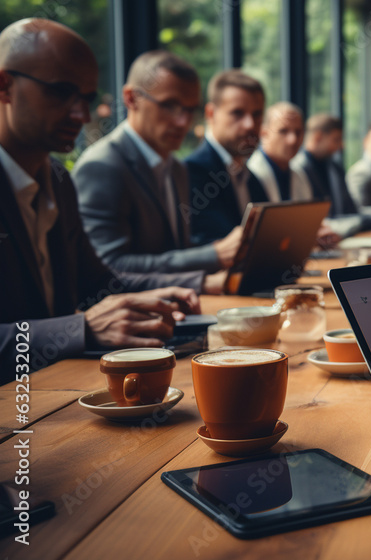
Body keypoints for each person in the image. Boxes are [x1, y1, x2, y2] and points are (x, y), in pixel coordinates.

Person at [0, 19, 200, 378]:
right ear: (4, 86)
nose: (82, 115)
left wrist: (169, 290)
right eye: (61, 92)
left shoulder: (59, 179)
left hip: (53, 397)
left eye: (87, 98)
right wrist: (79, 330)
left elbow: (97, 282)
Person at [72, 51, 233, 294]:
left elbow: (171, 251)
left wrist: (219, 250)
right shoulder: (102, 166)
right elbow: (109, 267)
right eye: (170, 105)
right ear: (131, 99)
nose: (183, 122)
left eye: (190, 110)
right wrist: (213, 256)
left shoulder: (177, 167)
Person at [185, 69, 268, 245]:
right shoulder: (190, 173)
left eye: (257, 114)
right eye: (237, 113)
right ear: (210, 114)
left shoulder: (250, 178)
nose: (250, 124)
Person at [291, 113, 371, 237]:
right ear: (317, 137)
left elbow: (350, 211)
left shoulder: (335, 168)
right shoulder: (297, 170)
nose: (341, 146)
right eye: (336, 139)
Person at [246, 101, 312, 203]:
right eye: (283, 131)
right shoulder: (250, 175)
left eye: (298, 132)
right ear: (264, 133)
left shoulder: (300, 175)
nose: (292, 140)